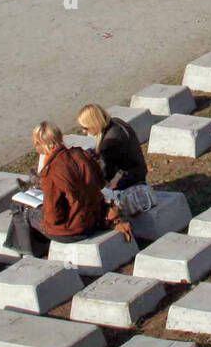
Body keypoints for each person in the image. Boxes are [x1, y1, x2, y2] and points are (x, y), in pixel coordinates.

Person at [8, 122, 106, 257]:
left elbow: (54, 216)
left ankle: (27, 255)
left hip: (73, 230)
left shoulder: (51, 170)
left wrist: (43, 218)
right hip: (95, 219)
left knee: (21, 208)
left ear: (39, 143)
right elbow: (101, 183)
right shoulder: (81, 154)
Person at [76, 104, 147, 190]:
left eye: (85, 128)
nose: (84, 131)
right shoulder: (116, 122)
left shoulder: (108, 144)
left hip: (129, 181)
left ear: (94, 123)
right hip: (138, 171)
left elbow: (105, 175)